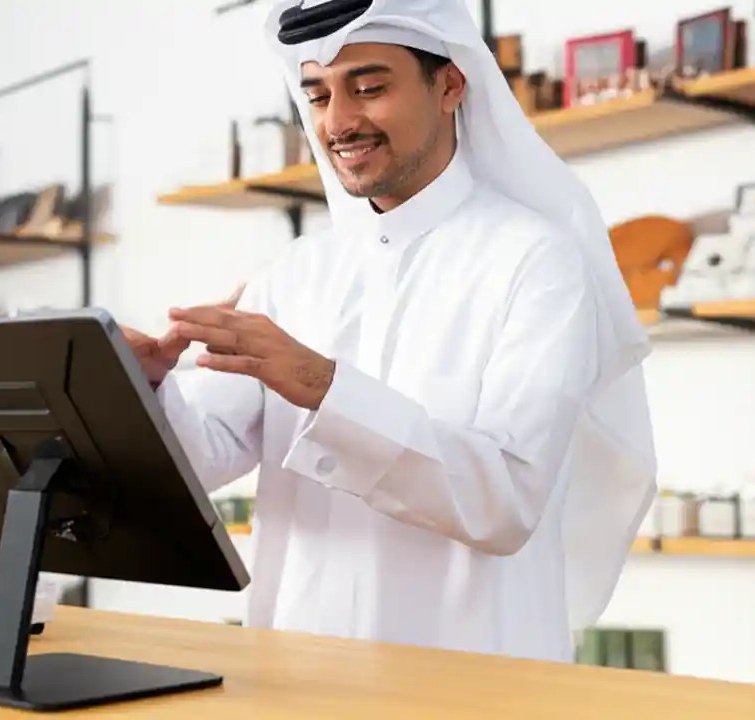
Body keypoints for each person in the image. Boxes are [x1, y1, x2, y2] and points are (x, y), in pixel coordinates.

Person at [122, 0, 657, 663]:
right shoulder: (296, 273)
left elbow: (508, 498)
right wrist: (140, 386)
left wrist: (322, 385)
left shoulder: (536, 261)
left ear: (450, 86)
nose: (339, 122)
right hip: (305, 667)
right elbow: (204, 454)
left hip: (468, 675)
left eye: (369, 87)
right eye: (317, 95)